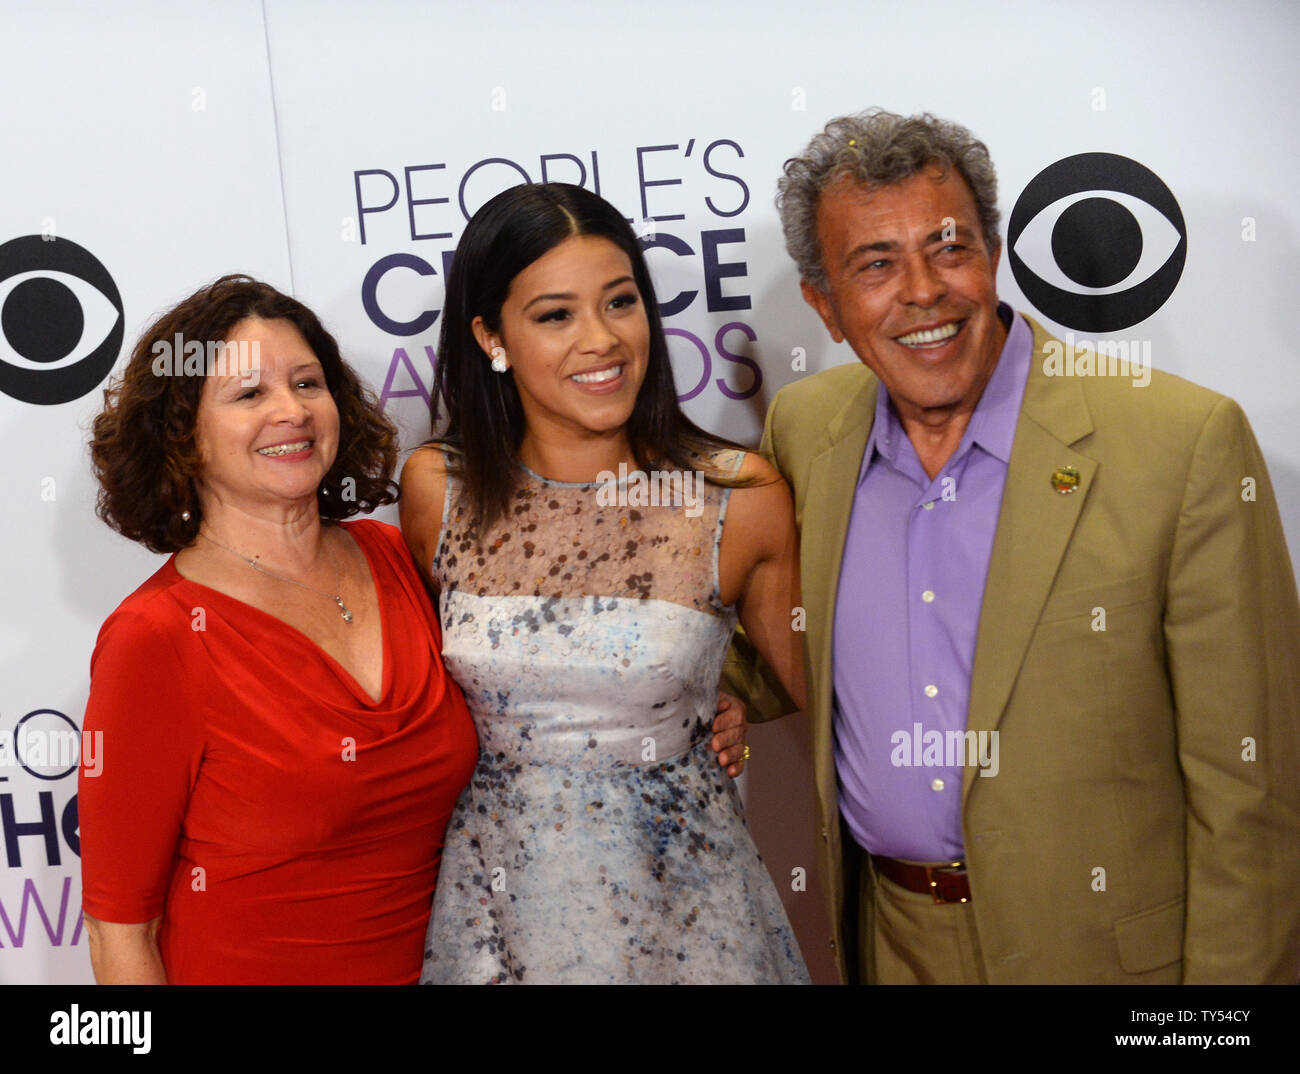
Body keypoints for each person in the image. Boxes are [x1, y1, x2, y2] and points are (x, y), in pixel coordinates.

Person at [730, 109, 1300, 984]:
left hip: (1110, 963)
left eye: (949, 247)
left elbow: (1252, 792)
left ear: (993, 255)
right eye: (875, 265)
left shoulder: (1183, 443)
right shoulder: (808, 433)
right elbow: (796, 642)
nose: (923, 291)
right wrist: (698, 698)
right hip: (891, 941)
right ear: (825, 306)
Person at [399, 182, 809, 984]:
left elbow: (826, 696)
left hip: (691, 911)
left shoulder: (737, 496)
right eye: (556, 315)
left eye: (620, 302)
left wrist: (722, 701)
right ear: (491, 335)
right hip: (498, 920)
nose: (603, 340)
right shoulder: (436, 490)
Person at [79, 275, 480, 984]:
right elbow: (120, 935)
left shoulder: (396, 555)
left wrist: (698, 714)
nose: (291, 411)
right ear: (182, 436)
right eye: (248, 394)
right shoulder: (156, 636)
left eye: (307, 383)